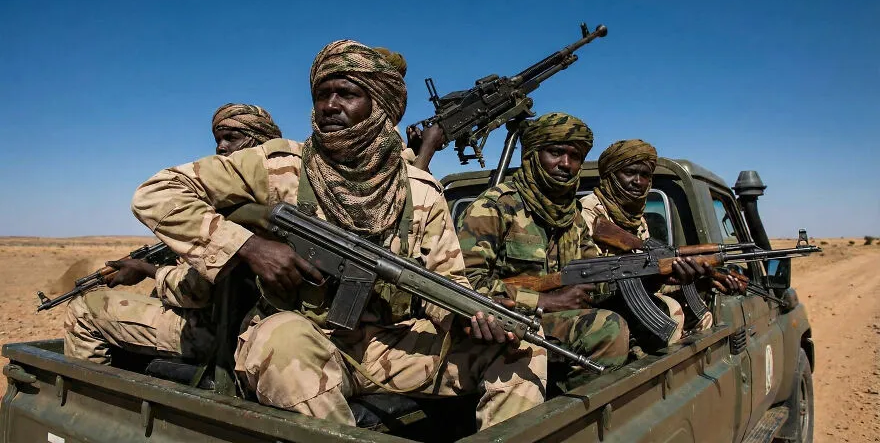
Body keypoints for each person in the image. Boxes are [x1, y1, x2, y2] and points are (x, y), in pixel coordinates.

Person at [130, 40, 546, 429]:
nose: (329, 105)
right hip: (305, 339)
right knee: (281, 342)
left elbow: (445, 281)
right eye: (321, 93)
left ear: (379, 104)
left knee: (524, 342)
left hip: (388, 345)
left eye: (346, 93)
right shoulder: (278, 166)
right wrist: (248, 247)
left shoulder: (419, 189)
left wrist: (472, 317)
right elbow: (156, 193)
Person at [63, 104, 282, 365]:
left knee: (84, 309)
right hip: (258, 328)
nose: (221, 148)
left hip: (225, 334)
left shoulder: (241, 214)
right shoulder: (276, 199)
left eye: (231, 138)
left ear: (257, 142)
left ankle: (89, 403)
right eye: (217, 140)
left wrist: (147, 271)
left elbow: (194, 292)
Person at [456, 113, 630, 390]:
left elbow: (593, 276)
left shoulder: (572, 216)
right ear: (533, 155)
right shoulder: (494, 207)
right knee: (608, 327)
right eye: (556, 152)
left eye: (575, 156)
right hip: (504, 324)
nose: (566, 164)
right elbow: (466, 286)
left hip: (552, 322)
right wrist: (544, 301)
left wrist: (646, 276)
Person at [580, 139, 744, 345]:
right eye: (629, 172)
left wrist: (698, 278)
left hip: (621, 304)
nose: (638, 181)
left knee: (700, 314)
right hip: (596, 309)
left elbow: (644, 273)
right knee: (670, 312)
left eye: (645, 175)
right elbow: (584, 280)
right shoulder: (587, 215)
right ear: (610, 175)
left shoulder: (636, 219)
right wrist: (650, 280)